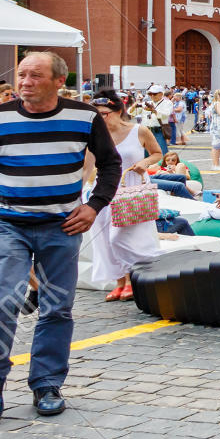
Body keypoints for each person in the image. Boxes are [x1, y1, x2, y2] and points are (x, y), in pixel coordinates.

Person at [0, 53, 123, 421]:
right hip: (4, 222)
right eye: (22, 74)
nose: (25, 81)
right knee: (0, 302)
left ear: (59, 81)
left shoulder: (84, 116)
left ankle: (46, 384)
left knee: (57, 307)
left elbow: (110, 164)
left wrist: (94, 205)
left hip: (62, 226)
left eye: (35, 75)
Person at [81, 89, 162, 302]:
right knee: (105, 239)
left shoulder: (139, 130)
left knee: (121, 236)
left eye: (104, 113)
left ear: (118, 111)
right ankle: (119, 281)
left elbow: (157, 153)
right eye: (96, 114)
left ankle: (131, 279)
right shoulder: (94, 136)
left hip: (131, 189)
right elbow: (86, 168)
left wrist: (144, 163)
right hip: (104, 191)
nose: (100, 118)